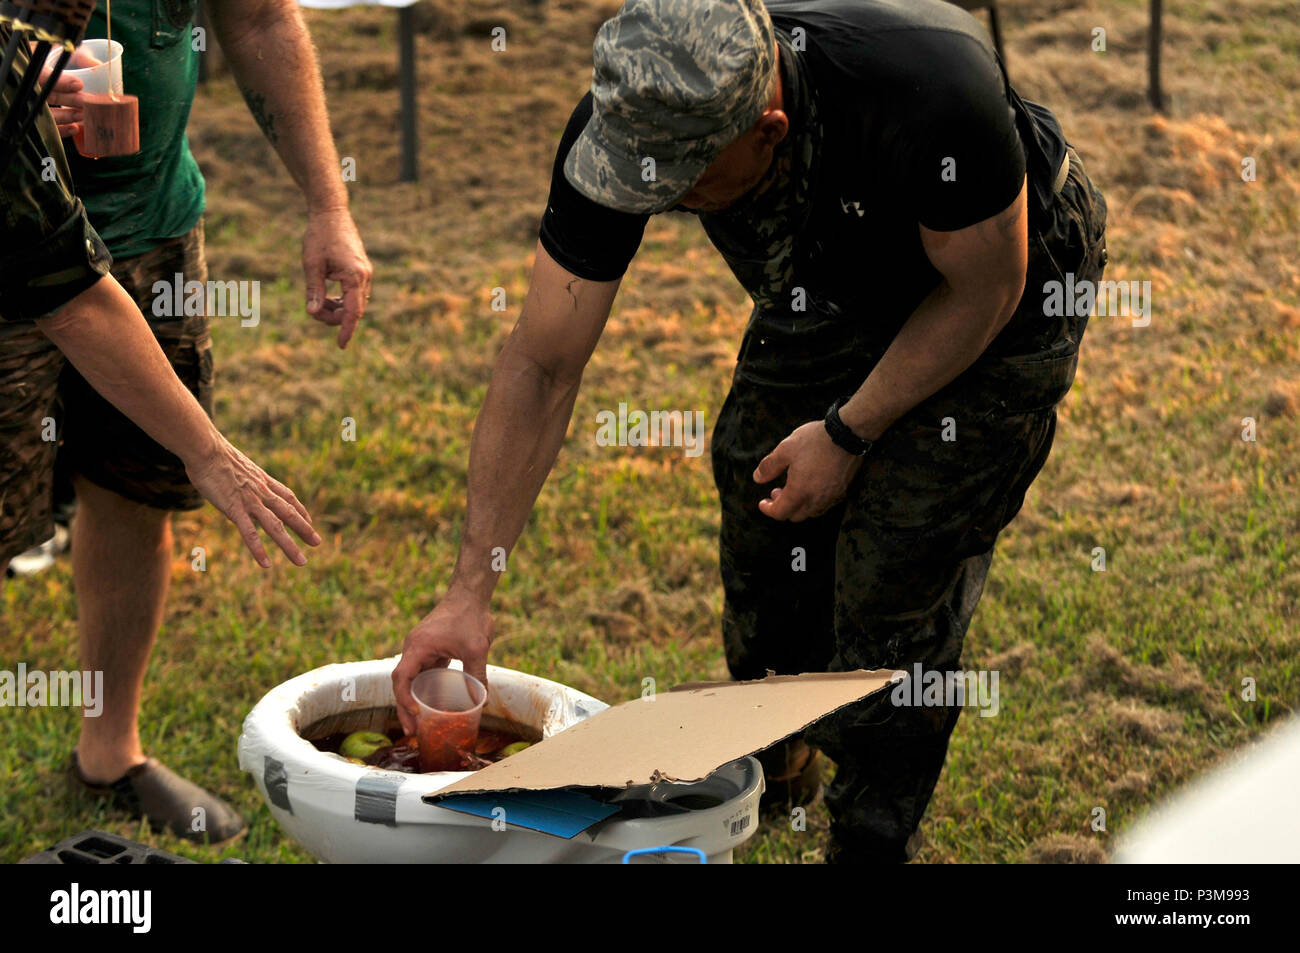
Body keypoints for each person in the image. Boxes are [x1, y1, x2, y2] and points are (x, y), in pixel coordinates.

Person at [391, 0, 1108, 862]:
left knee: (896, 564)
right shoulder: (634, 120)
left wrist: (848, 432)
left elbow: (985, 291)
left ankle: (872, 831)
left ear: (768, 130)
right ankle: (779, 755)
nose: (659, 201)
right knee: (761, 491)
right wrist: (471, 588)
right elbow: (543, 365)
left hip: (995, 292)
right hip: (830, 279)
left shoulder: (932, 93)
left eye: (685, 185)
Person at [12, 0, 371, 844]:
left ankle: (110, 750)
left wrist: (328, 204)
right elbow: (65, 299)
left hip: (151, 232)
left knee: (135, 485)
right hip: (10, 247)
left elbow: (260, 19)